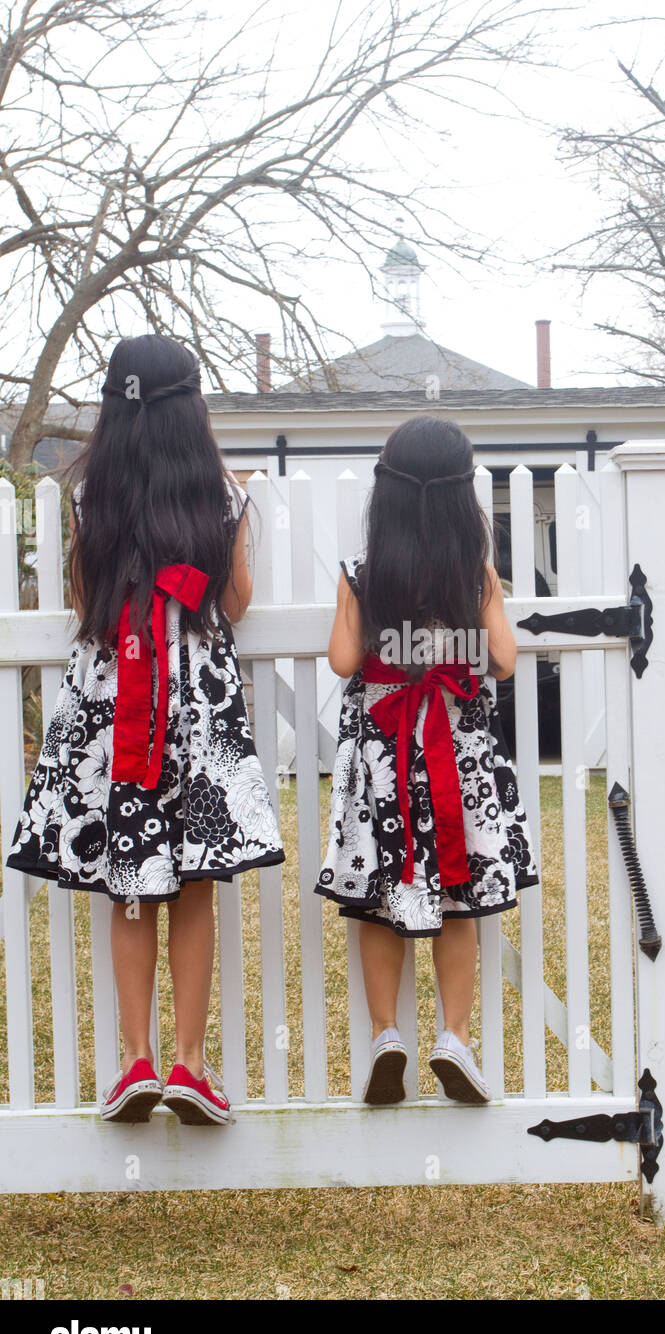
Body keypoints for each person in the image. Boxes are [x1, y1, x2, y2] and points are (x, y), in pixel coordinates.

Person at [6, 335, 284, 1125]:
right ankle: (190, 1065)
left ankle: (134, 1059)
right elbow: (232, 605)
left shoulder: (93, 494)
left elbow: (84, 598)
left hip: (114, 701)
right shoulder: (223, 496)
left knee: (126, 885)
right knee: (194, 878)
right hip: (195, 707)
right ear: (191, 407)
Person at [316, 413, 538, 1104]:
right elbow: (501, 660)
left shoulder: (363, 573)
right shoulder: (472, 575)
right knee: (460, 898)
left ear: (384, 493)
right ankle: (454, 1036)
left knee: (378, 904)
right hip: (455, 764)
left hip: (381, 764)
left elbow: (342, 659)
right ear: (459, 497)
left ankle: (386, 1034)